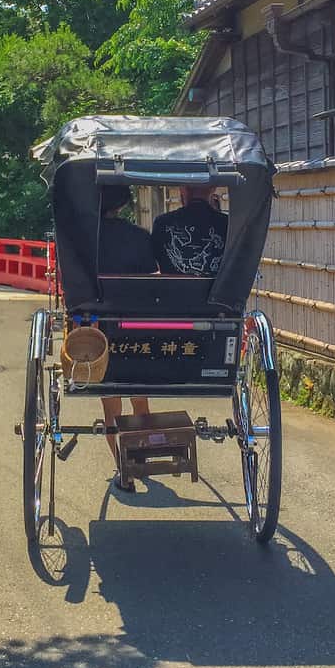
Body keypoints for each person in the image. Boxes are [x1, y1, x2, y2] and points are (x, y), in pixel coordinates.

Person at [96, 184, 153, 491]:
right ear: (124, 205)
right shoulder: (141, 238)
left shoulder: (81, 239)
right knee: (140, 400)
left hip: (97, 332)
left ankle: (123, 466)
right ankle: (138, 457)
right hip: (138, 329)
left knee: (110, 407)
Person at [151, 184, 229, 276]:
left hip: (173, 290)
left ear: (182, 188)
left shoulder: (162, 223)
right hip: (218, 290)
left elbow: (155, 263)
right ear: (213, 188)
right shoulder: (228, 224)